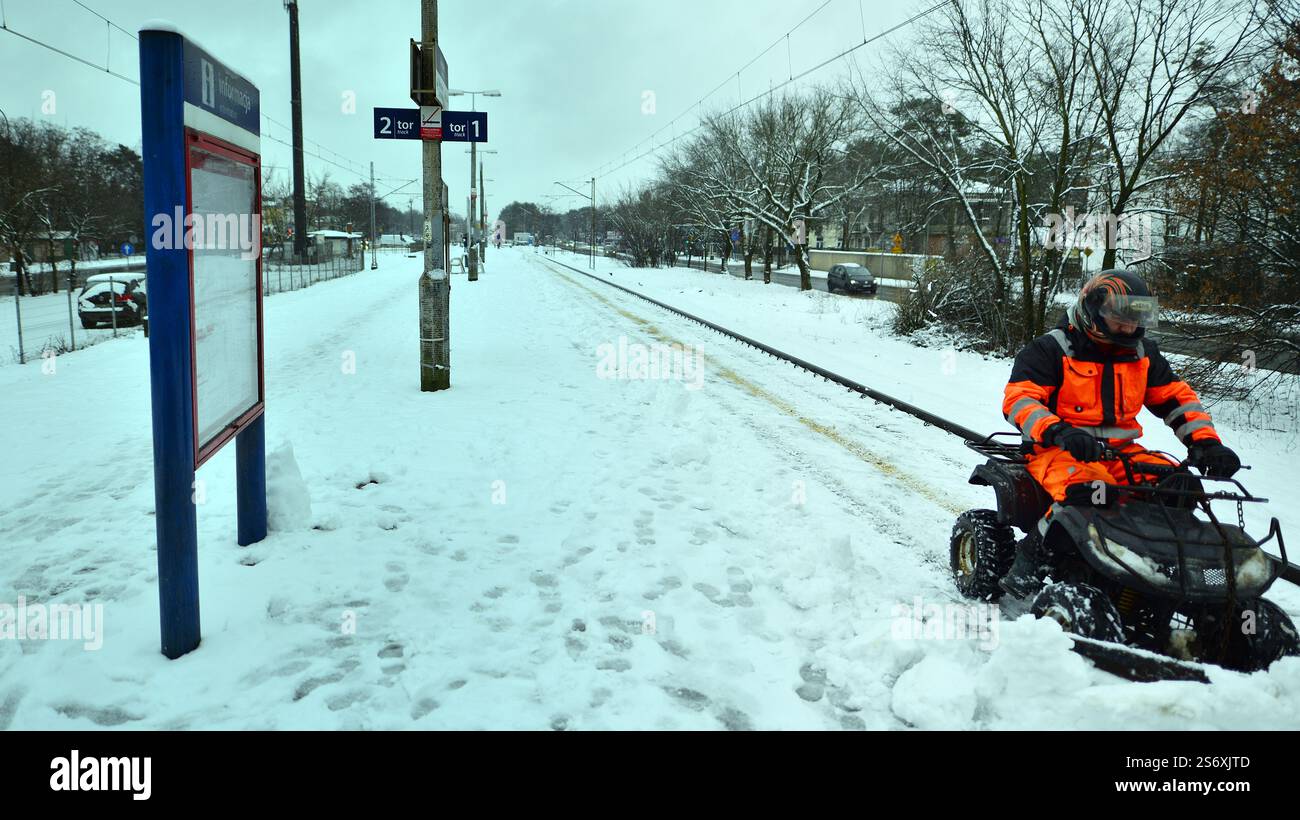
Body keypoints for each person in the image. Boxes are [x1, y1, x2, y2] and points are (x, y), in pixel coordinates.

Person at [999, 269, 1240, 597]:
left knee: (1180, 487)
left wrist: (1207, 444)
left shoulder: (1143, 354)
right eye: (1119, 321)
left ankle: (1155, 567)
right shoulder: (1051, 349)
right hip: (1057, 450)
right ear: (1092, 312)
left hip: (1121, 452)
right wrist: (1058, 431)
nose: (1129, 328)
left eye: (1135, 321)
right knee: (1088, 492)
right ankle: (1029, 563)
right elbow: (1019, 400)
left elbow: (1177, 400)